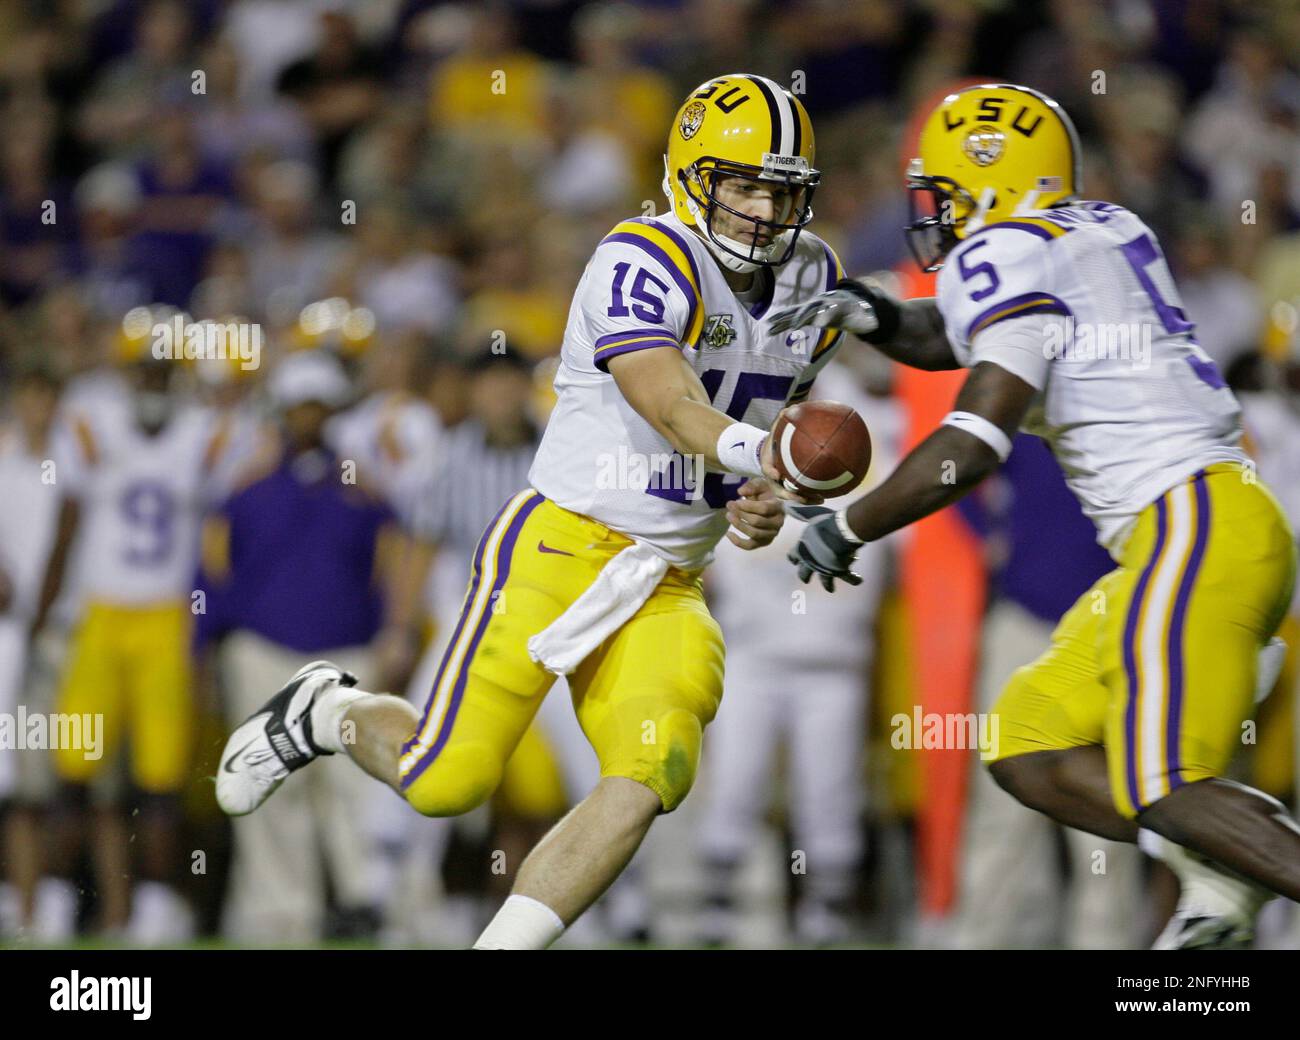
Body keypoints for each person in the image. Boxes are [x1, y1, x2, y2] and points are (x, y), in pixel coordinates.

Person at [217, 73, 844, 949]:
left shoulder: (814, 283)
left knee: (653, 769)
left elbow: (750, 444)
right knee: (447, 783)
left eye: (781, 189)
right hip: (558, 545)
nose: (763, 210)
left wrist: (759, 497)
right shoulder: (644, 256)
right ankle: (325, 709)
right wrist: (758, 454)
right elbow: (667, 399)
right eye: (742, 184)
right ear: (690, 177)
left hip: (668, 577)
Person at [769, 83, 1299, 949]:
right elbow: (963, 333)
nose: (932, 213)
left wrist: (851, 523)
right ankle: (1222, 859)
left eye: (940, 191)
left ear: (987, 182)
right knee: (1027, 744)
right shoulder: (1100, 228)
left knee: (1164, 781)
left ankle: (1224, 842)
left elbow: (974, 439)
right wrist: (869, 314)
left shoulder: (1009, 254)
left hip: (1191, 528)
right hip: (1199, 529)